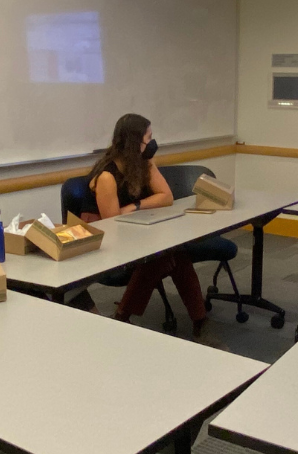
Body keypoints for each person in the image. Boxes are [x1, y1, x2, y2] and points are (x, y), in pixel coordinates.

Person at [87, 114, 209, 337]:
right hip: (116, 248)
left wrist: (134, 206)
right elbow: (112, 224)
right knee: (166, 256)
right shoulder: (107, 176)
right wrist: (132, 212)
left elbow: (166, 196)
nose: (152, 143)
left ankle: (198, 321)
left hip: (142, 237)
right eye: (148, 138)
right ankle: (199, 321)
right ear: (135, 142)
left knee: (174, 254)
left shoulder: (143, 163)